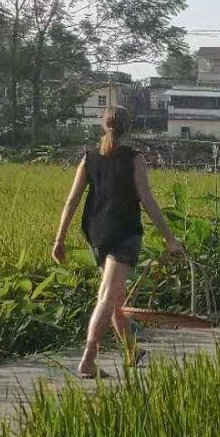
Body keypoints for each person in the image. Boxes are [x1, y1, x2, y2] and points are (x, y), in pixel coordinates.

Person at [53, 107, 184, 379]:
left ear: (104, 125)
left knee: (115, 297)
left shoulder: (89, 158)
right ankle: (88, 358)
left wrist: (60, 239)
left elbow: (72, 201)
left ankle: (131, 352)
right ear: (128, 127)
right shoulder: (134, 159)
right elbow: (148, 201)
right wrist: (170, 239)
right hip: (124, 235)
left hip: (97, 234)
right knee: (109, 296)